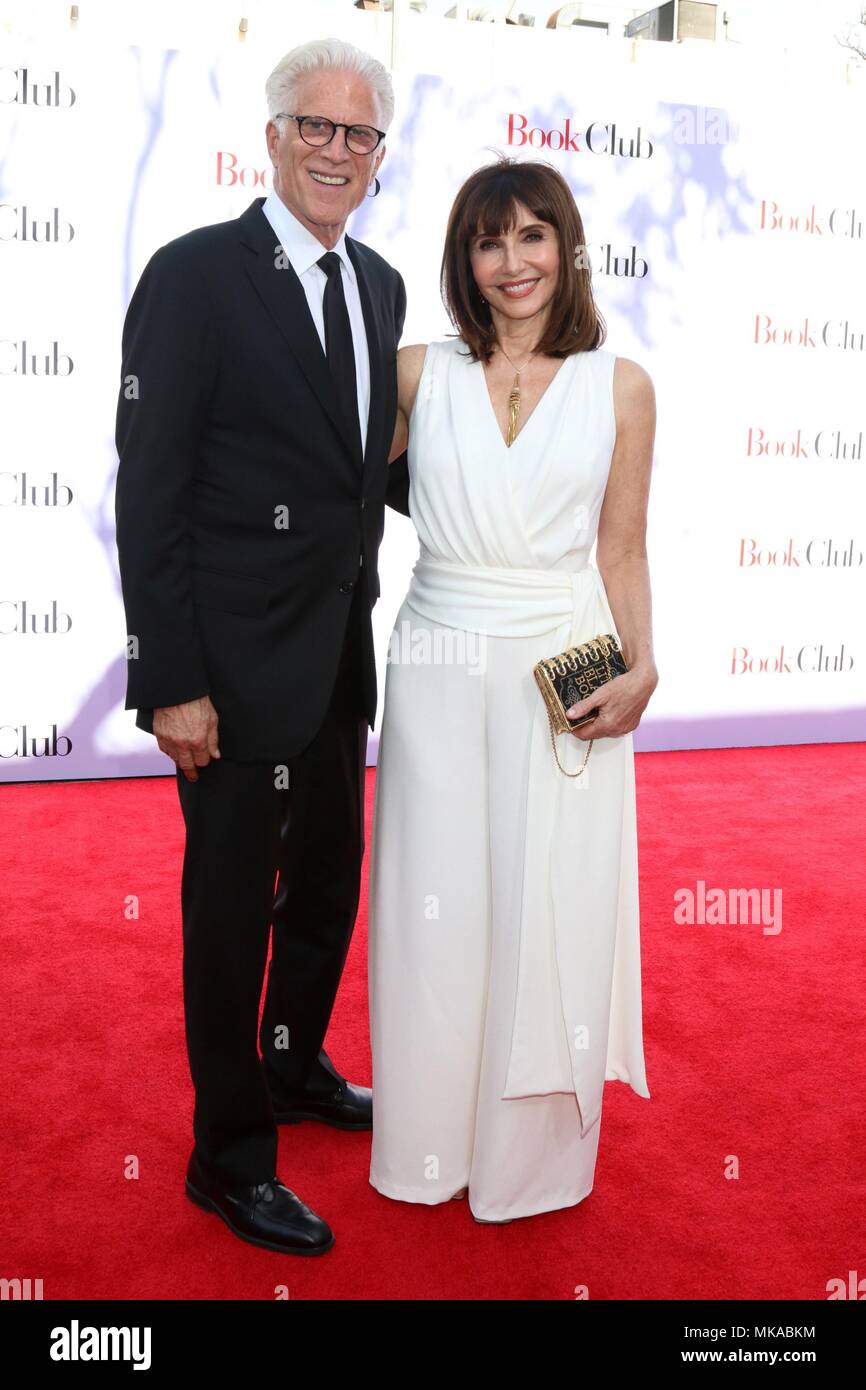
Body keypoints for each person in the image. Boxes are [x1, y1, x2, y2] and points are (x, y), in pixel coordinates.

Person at [114, 37, 410, 1256]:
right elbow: (152, 489)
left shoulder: (382, 285)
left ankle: (290, 1071)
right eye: (318, 127)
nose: (338, 150)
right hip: (226, 680)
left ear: (380, 158)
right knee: (231, 914)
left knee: (328, 890)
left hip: (335, 661)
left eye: (361, 135)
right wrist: (168, 677)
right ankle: (227, 1157)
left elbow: (366, 478)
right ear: (272, 135)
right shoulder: (193, 277)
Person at [368, 157, 658, 1224]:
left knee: (550, 905)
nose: (510, 261)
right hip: (437, 651)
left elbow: (620, 546)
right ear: (464, 259)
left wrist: (642, 662)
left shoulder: (619, 384)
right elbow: (333, 499)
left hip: (565, 655)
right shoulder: (413, 373)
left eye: (532, 236)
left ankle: (529, 1163)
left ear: (564, 248)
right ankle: (424, 1148)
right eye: (488, 241)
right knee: (431, 908)